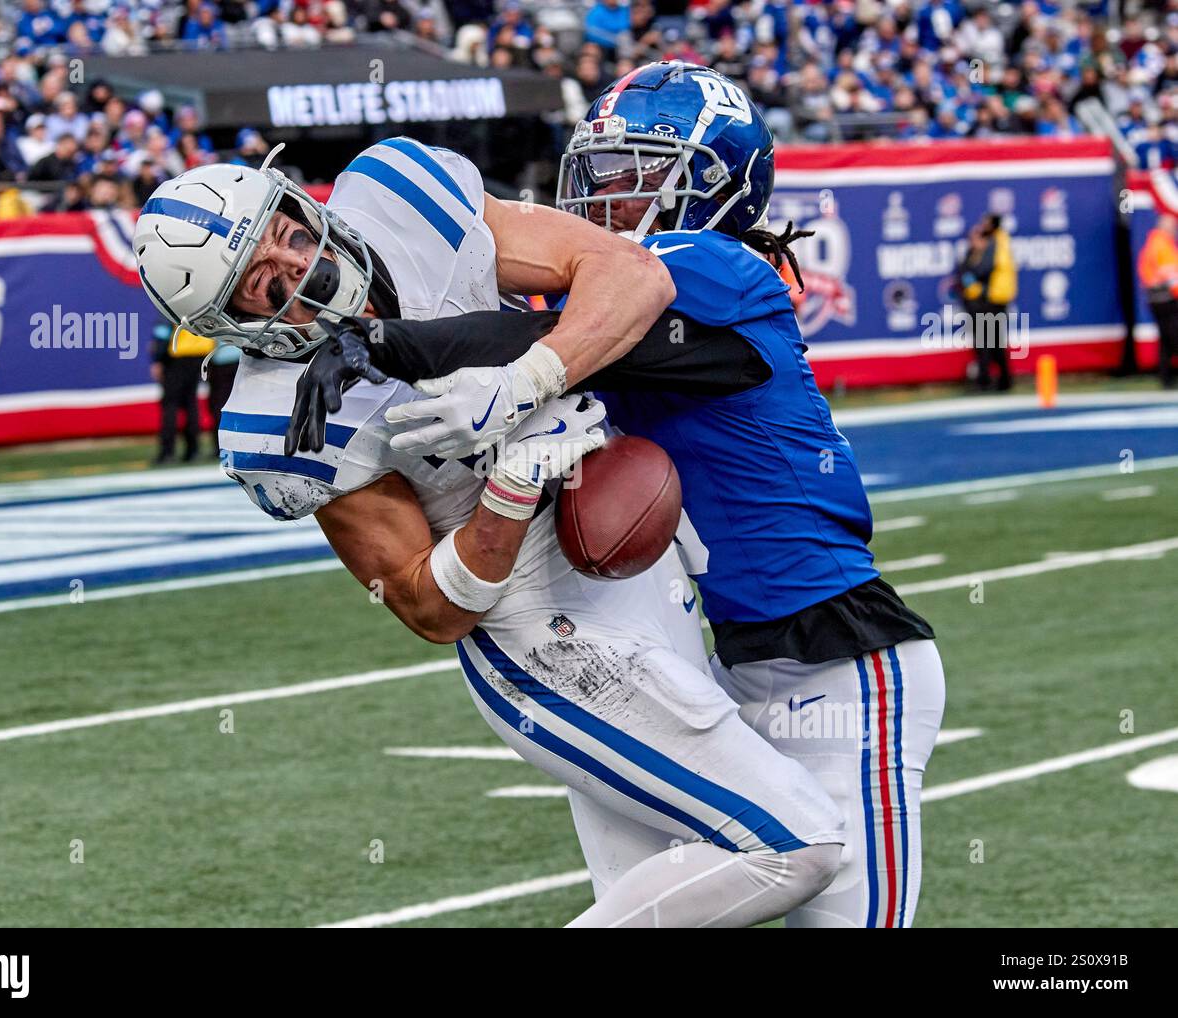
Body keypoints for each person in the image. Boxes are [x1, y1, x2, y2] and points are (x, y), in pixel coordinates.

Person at [133, 136, 845, 928]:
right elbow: (429, 608)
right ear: (235, 328)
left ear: (300, 199)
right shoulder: (284, 423)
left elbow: (628, 273)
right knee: (798, 843)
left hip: (640, 567)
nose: (303, 268)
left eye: (290, 234)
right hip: (542, 637)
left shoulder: (403, 196)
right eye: (265, 284)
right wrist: (507, 489)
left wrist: (526, 381)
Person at [310, 62, 946, 927]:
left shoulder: (713, 264)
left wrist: (382, 340)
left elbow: (528, 331)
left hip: (845, 659)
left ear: (719, 182)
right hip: (735, 659)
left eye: (637, 170)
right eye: (598, 171)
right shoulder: (615, 293)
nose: (608, 193)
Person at [958, 212, 1017, 392]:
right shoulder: (998, 242)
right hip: (990, 299)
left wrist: (977, 287)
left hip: (991, 300)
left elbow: (982, 270)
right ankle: (997, 379)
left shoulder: (996, 243)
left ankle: (994, 379)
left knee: (990, 341)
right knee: (988, 341)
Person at [149, 322, 209, 464]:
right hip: (200, 352)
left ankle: (167, 452)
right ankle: (193, 450)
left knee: (170, 404)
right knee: (190, 404)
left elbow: (162, 332)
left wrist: (157, 359)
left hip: (177, 354)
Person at [1137, 213, 1178, 388]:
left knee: (1166, 340)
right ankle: (1166, 377)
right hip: (1166, 299)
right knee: (1173, 337)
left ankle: (1165, 377)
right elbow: (1172, 276)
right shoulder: (1162, 245)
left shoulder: (1152, 244)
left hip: (1156, 299)